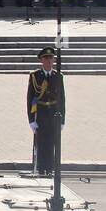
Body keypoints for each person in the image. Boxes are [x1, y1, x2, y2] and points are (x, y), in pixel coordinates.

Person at [27, 47, 65, 176]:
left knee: (52, 143)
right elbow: (30, 98)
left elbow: (62, 99)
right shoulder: (35, 76)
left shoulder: (58, 76)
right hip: (41, 113)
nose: (49, 62)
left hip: (54, 114)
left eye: (51, 59)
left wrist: (62, 120)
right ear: (41, 61)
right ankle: (41, 168)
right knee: (41, 143)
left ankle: (50, 169)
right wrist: (31, 120)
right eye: (46, 59)